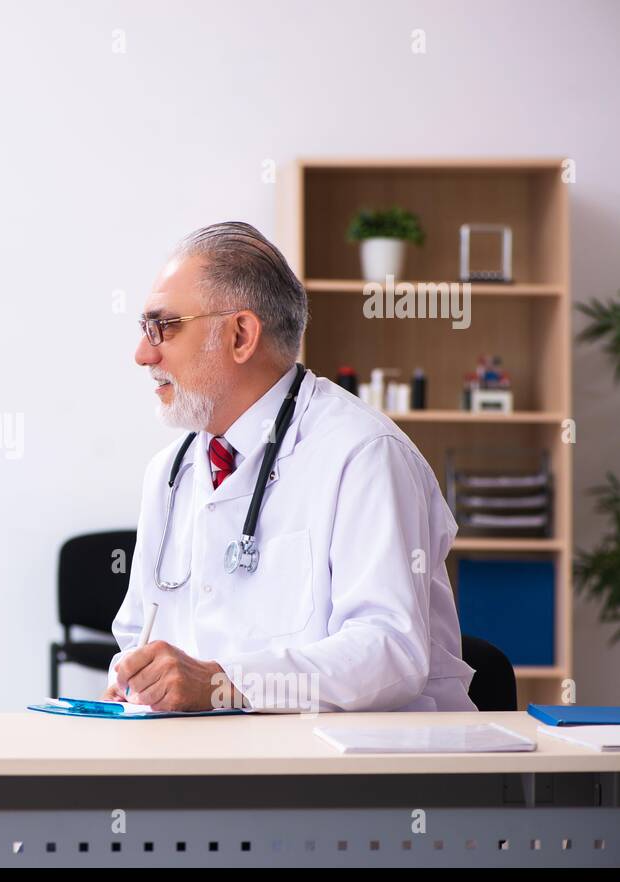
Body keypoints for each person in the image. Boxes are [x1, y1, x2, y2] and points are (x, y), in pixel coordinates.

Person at [105, 222, 476, 713]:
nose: (143, 354)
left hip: (360, 771)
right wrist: (137, 678)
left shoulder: (363, 453)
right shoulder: (171, 472)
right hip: (215, 763)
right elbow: (138, 632)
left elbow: (389, 653)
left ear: (240, 335)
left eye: (165, 326)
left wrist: (220, 684)